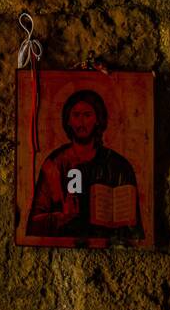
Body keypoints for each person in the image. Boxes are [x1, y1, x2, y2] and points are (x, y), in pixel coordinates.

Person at [26, 89, 141, 239]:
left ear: (98, 119)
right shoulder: (55, 164)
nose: (81, 122)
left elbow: (133, 229)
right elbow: (34, 224)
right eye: (76, 115)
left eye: (87, 115)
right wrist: (61, 217)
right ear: (68, 120)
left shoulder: (118, 165)